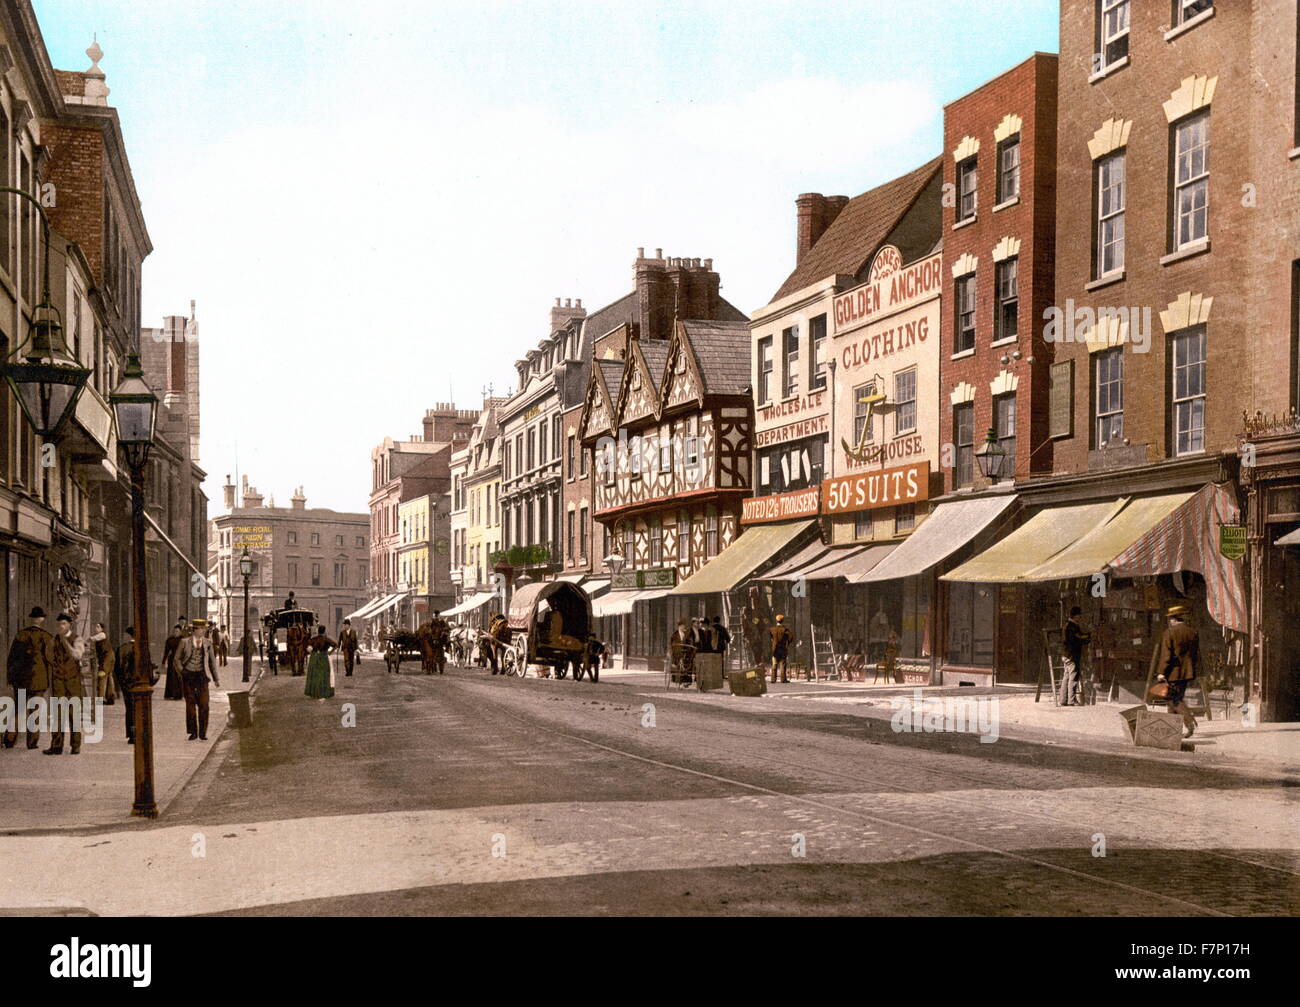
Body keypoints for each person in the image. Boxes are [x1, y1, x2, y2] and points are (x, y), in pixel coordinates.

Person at [3, 606, 54, 750]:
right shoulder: (46, 636)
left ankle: (9, 740)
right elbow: (51, 660)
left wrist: (11, 678)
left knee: (18, 709)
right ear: (42, 619)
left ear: (30, 618)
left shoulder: (20, 635)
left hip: (21, 679)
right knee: (35, 711)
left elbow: (12, 658)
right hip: (39, 679)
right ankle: (31, 743)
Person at [1157, 603, 1200, 739]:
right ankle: (1172, 731)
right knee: (1173, 700)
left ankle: (1189, 723)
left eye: (1170, 618)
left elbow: (1166, 655)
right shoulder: (1192, 632)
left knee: (1174, 700)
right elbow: (1195, 654)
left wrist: (1161, 672)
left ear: (1173, 619)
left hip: (1173, 672)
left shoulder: (1169, 632)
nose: (1169, 621)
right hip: (1187, 672)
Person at [45, 613, 85, 755]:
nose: (60, 627)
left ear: (69, 625)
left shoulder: (77, 639)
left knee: (73, 713)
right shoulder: (53, 640)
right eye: (59, 624)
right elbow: (48, 655)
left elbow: (77, 655)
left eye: (63, 624)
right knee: (57, 714)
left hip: (73, 681)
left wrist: (65, 642)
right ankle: (56, 746)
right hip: (58, 681)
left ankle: (75, 745)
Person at [175, 620, 220, 741]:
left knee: (204, 704)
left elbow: (212, 662)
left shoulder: (208, 643)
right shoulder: (184, 642)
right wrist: (182, 671)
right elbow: (177, 659)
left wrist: (216, 678)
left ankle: (203, 732)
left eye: (204, 629)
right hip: (188, 676)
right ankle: (193, 732)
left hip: (201, 676)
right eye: (201, 629)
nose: (203, 631)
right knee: (190, 705)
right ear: (194, 630)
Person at [114, 626, 142, 744]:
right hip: (138, 683)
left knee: (129, 709)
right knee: (138, 709)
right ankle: (138, 733)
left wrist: (122, 683)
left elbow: (117, 669)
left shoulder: (121, 649)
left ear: (129, 636)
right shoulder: (141, 648)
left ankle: (131, 734)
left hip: (125, 685)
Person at [1059, 606, 1091, 706]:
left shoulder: (1067, 625)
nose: (1080, 617)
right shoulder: (1073, 626)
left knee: (1066, 677)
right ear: (1075, 616)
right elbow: (1078, 638)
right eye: (1079, 615)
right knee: (1073, 678)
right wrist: (1088, 637)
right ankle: (1071, 700)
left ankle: (1063, 700)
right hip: (1072, 655)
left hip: (1065, 654)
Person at [304, 625, 336, 699]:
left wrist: (312, 651)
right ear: (324, 631)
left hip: (314, 658)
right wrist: (330, 652)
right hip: (323, 657)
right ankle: (323, 692)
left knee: (314, 675)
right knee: (323, 675)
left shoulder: (313, 639)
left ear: (318, 631)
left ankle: (314, 693)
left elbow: (308, 648)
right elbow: (335, 645)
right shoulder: (326, 639)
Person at [90, 622, 116, 705]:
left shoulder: (102, 635)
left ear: (102, 629)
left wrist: (84, 641)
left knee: (102, 676)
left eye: (98, 626)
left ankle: (101, 699)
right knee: (108, 677)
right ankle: (110, 697)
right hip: (108, 658)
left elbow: (92, 639)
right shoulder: (100, 637)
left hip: (107, 658)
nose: (96, 628)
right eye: (95, 626)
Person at [161, 622, 184, 700]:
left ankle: (178, 695)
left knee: (179, 677)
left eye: (177, 631)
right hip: (171, 660)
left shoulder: (183, 640)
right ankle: (170, 694)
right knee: (171, 677)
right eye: (174, 631)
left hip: (180, 660)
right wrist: (163, 662)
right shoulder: (169, 640)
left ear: (180, 632)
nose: (176, 633)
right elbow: (166, 651)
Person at [769, 613, 794, 684]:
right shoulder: (785, 630)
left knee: (774, 663)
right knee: (782, 664)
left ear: (776, 620)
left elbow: (770, 638)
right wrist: (787, 643)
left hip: (775, 649)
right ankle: (783, 679)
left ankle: (773, 679)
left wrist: (773, 642)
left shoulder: (772, 629)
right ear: (783, 621)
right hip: (783, 648)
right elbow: (791, 637)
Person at [670, 620, 695, 685]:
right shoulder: (675, 634)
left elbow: (690, 643)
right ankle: (678, 680)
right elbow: (673, 645)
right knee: (678, 663)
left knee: (688, 662)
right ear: (679, 626)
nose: (684, 627)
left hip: (685, 653)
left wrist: (688, 649)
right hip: (677, 653)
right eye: (682, 626)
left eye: (684, 626)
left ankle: (686, 680)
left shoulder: (687, 634)